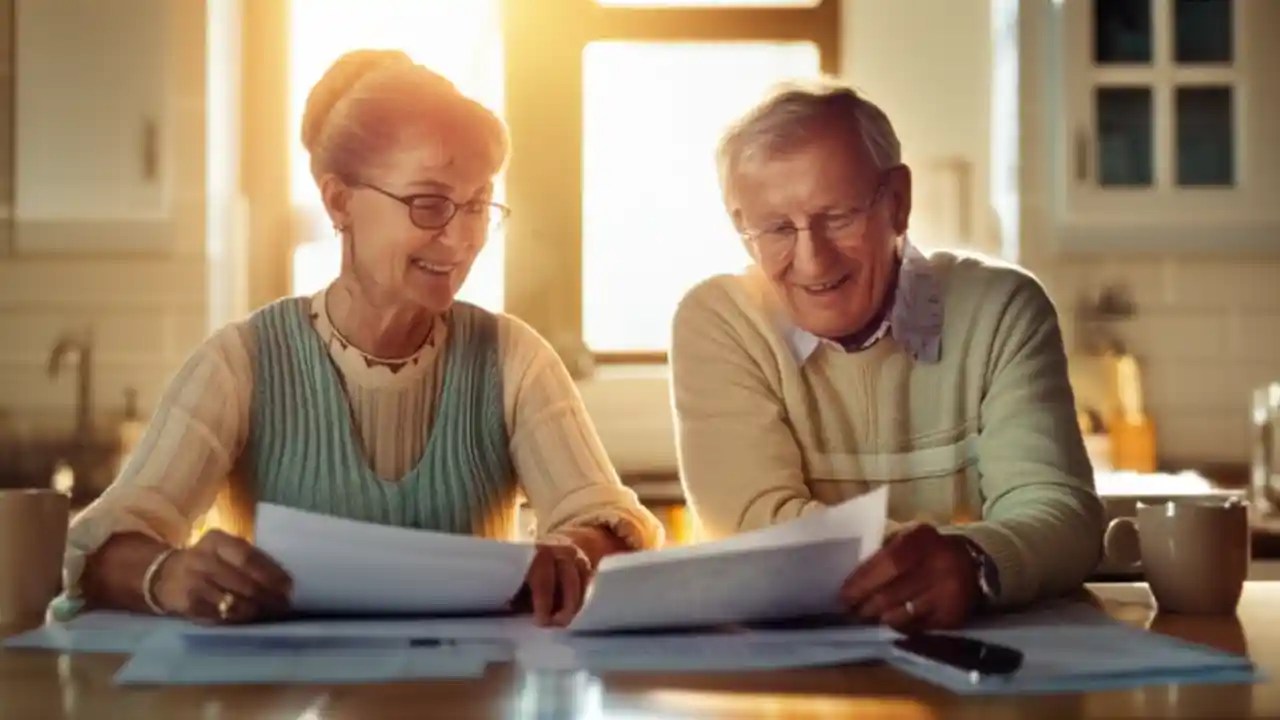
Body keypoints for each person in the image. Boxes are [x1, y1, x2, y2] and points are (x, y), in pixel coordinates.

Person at [57, 49, 663, 628]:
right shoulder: (240, 362)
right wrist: (167, 573)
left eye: (477, 205)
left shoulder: (514, 359)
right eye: (429, 204)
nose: (460, 240)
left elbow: (609, 523)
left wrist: (575, 548)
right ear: (339, 201)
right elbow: (102, 546)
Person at [670, 79, 1103, 631]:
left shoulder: (1003, 309)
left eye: (838, 217)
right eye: (777, 228)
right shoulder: (719, 322)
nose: (813, 261)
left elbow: (1063, 517)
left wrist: (971, 565)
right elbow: (756, 534)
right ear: (741, 228)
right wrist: (966, 556)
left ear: (897, 202)